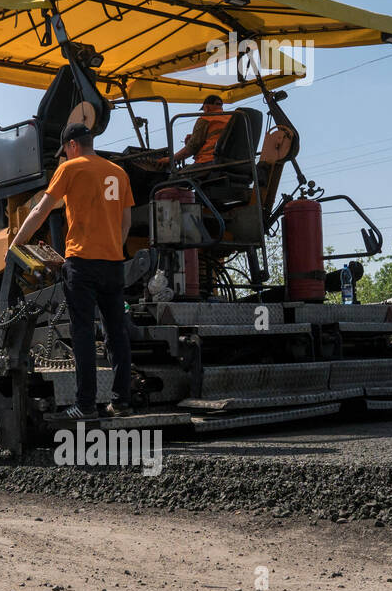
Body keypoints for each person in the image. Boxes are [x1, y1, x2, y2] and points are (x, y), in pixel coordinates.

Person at [13, 122, 134, 420]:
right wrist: (112, 250)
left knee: (82, 333)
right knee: (116, 334)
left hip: (82, 263)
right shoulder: (118, 173)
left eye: (64, 152)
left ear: (71, 146)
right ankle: (121, 402)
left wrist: (17, 242)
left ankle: (86, 404)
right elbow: (126, 222)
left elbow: (41, 210)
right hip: (113, 264)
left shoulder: (69, 169)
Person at [160, 94, 232, 167]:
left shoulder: (206, 119)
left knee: (177, 177)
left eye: (203, 110)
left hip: (209, 161)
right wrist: (193, 138)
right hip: (233, 161)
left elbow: (190, 149)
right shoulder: (232, 117)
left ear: (206, 107)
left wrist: (169, 159)